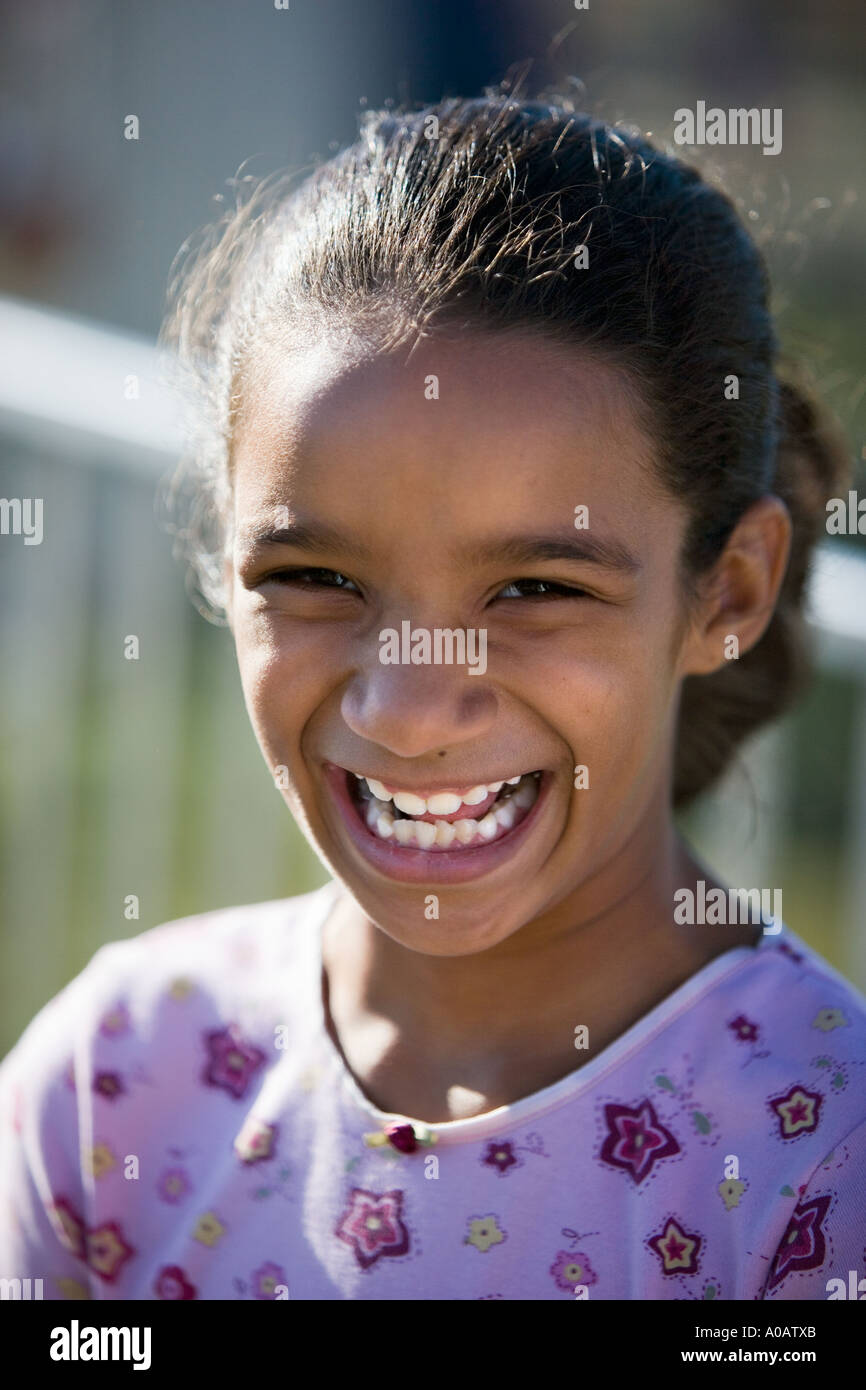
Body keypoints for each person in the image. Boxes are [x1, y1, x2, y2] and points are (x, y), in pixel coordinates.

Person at [1, 91, 864, 1301]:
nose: (404, 707)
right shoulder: (117, 1080)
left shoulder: (815, 1165)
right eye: (313, 578)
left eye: (531, 588)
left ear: (726, 592)